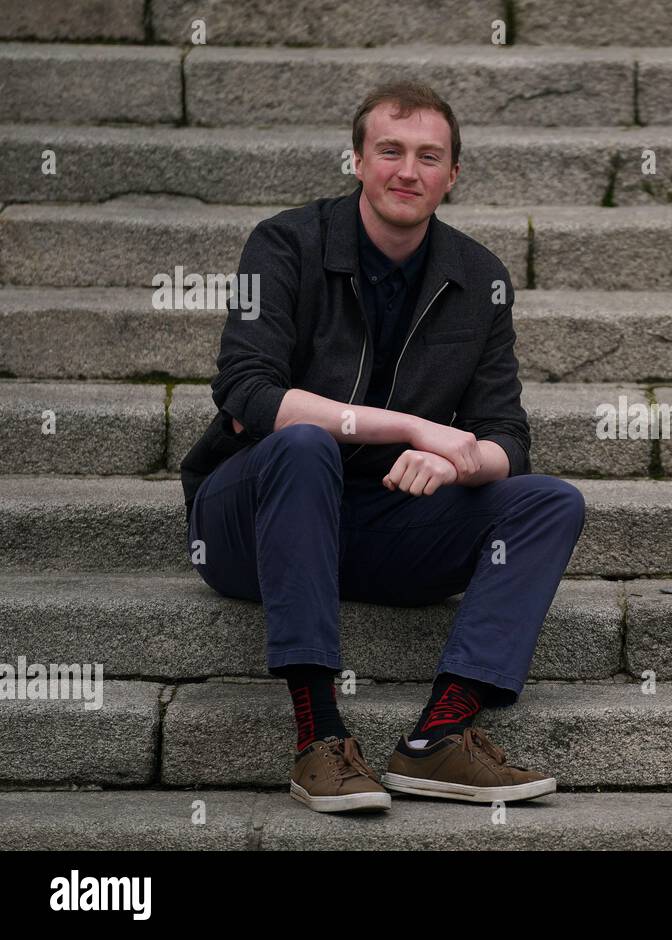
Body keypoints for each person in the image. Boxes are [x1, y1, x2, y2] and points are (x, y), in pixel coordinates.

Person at [180, 81, 586, 814]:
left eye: (430, 156)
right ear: (358, 162)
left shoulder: (481, 277)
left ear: (453, 175)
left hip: (385, 523)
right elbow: (248, 391)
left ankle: (439, 739)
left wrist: (457, 458)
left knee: (550, 501)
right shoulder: (284, 243)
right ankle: (320, 740)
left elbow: (507, 437)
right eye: (390, 151)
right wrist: (409, 428)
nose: (409, 170)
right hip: (252, 517)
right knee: (305, 447)